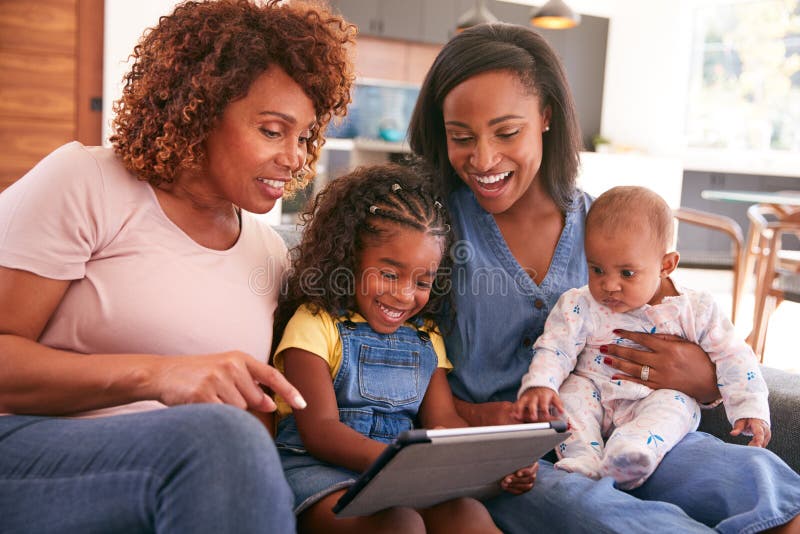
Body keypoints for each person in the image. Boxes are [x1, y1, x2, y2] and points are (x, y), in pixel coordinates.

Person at [408, 22, 800, 533]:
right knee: (602, 512)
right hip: (513, 462)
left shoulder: (605, 225)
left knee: (762, 482)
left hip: (632, 431)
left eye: (507, 133)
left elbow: (687, 330)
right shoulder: (429, 232)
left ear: (545, 117)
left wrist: (702, 378)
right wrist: (472, 418)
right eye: (461, 138)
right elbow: (395, 364)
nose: (483, 159)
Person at [0, 1, 354, 532]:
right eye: (272, 130)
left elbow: (256, 415)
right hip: (29, 452)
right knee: (217, 439)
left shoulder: (270, 254)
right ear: (201, 109)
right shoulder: (87, 182)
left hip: (192, 474)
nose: (297, 157)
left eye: (304, 137)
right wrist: (160, 376)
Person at [271, 163, 529, 533]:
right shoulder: (315, 324)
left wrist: (496, 464)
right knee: (400, 523)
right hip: (320, 476)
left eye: (422, 281)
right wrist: (399, 464)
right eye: (390, 274)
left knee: (468, 515)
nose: (405, 295)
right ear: (349, 258)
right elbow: (320, 431)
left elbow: (444, 421)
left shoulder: (425, 335)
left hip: (402, 478)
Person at [513, 185, 771, 490]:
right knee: (570, 393)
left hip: (652, 401)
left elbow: (734, 356)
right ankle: (583, 458)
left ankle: (631, 455)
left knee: (677, 404)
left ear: (666, 265)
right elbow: (555, 347)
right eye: (597, 269)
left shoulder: (695, 309)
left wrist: (750, 407)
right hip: (593, 389)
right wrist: (541, 385)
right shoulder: (580, 303)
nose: (609, 285)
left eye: (626, 274)